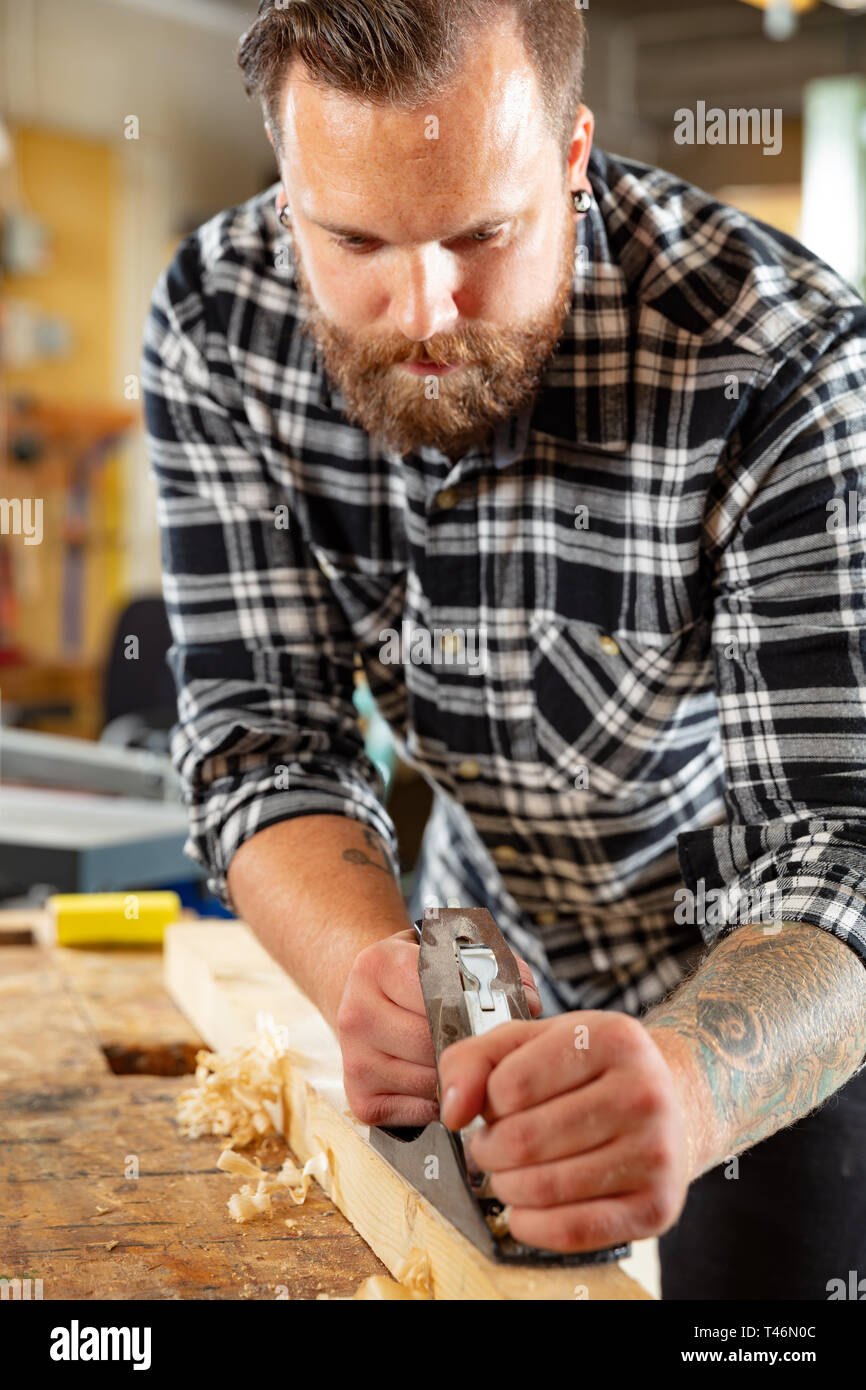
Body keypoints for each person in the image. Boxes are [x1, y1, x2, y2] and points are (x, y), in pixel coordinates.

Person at [142, 0, 866, 1299]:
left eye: (485, 231)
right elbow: (263, 738)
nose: (424, 310)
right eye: (353, 236)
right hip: (480, 943)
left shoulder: (784, 361)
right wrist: (375, 965)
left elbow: (845, 834)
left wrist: (693, 1087)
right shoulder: (216, 320)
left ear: (574, 159)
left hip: (767, 984)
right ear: (286, 178)